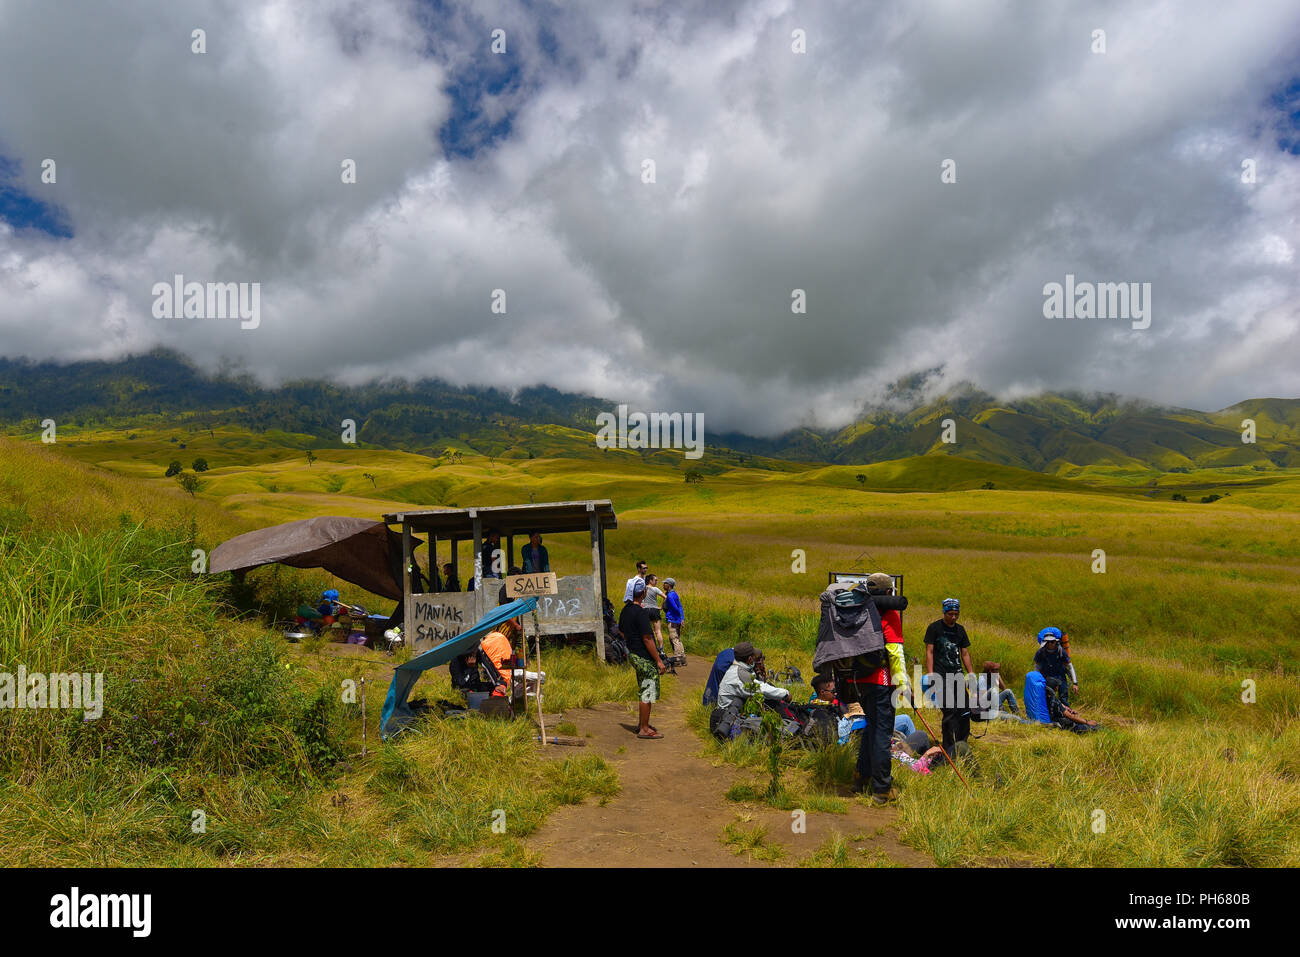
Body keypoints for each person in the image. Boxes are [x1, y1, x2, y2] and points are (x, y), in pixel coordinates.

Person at [848, 572, 912, 802]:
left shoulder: (857, 609)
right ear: (888, 593)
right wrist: (904, 684)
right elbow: (894, 651)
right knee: (883, 733)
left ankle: (860, 778)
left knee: (871, 728)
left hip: (857, 681)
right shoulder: (889, 612)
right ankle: (882, 789)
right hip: (881, 681)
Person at [924, 598, 974, 757]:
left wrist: (970, 672)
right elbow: (929, 652)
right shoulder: (934, 628)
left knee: (964, 710)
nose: (953, 617)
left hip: (958, 674)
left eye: (956, 614)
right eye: (950, 614)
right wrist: (931, 673)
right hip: (941, 675)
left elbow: (964, 653)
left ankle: (962, 743)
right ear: (944, 612)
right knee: (950, 710)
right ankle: (948, 746)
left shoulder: (960, 630)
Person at [619, 578, 667, 738]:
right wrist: (659, 660)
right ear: (643, 593)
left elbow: (621, 632)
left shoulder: (625, 610)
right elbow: (648, 638)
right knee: (647, 691)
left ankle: (642, 723)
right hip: (643, 656)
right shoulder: (641, 613)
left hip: (633, 653)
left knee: (644, 688)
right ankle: (644, 729)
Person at [717, 641, 791, 712]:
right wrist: (785, 694)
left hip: (730, 708)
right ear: (749, 659)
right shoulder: (741, 675)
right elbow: (762, 690)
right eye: (754, 658)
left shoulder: (735, 668)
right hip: (728, 714)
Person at [1034, 627, 1077, 707]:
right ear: (1045, 642)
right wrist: (1036, 680)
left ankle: (1068, 715)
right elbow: (1037, 667)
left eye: (1052, 641)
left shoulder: (1061, 651)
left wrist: (1075, 683)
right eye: (1048, 642)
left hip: (1061, 677)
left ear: (1056, 642)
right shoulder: (1041, 652)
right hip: (1047, 678)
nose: (1050, 644)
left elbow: (1070, 666)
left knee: (1063, 699)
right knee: (1045, 698)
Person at [479, 618, 520, 697]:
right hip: (497, 641)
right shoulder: (497, 639)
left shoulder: (497, 640)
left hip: (498, 642)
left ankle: (505, 684)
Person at [662, 577, 686, 660]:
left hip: (672, 619)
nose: (663, 585)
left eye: (664, 583)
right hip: (677, 620)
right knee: (677, 638)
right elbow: (680, 607)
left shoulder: (670, 595)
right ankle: (682, 657)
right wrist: (681, 618)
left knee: (673, 638)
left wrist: (678, 616)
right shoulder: (675, 594)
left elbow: (675, 607)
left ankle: (677, 657)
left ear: (668, 585)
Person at [643, 573, 667, 653]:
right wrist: (662, 607)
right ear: (650, 580)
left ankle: (648, 648)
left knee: (646, 630)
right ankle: (661, 649)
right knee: (658, 631)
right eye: (655, 580)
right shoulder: (655, 589)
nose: (656, 582)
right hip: (654, 610)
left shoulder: (643, 588)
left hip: (645, 610)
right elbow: (665, 597)